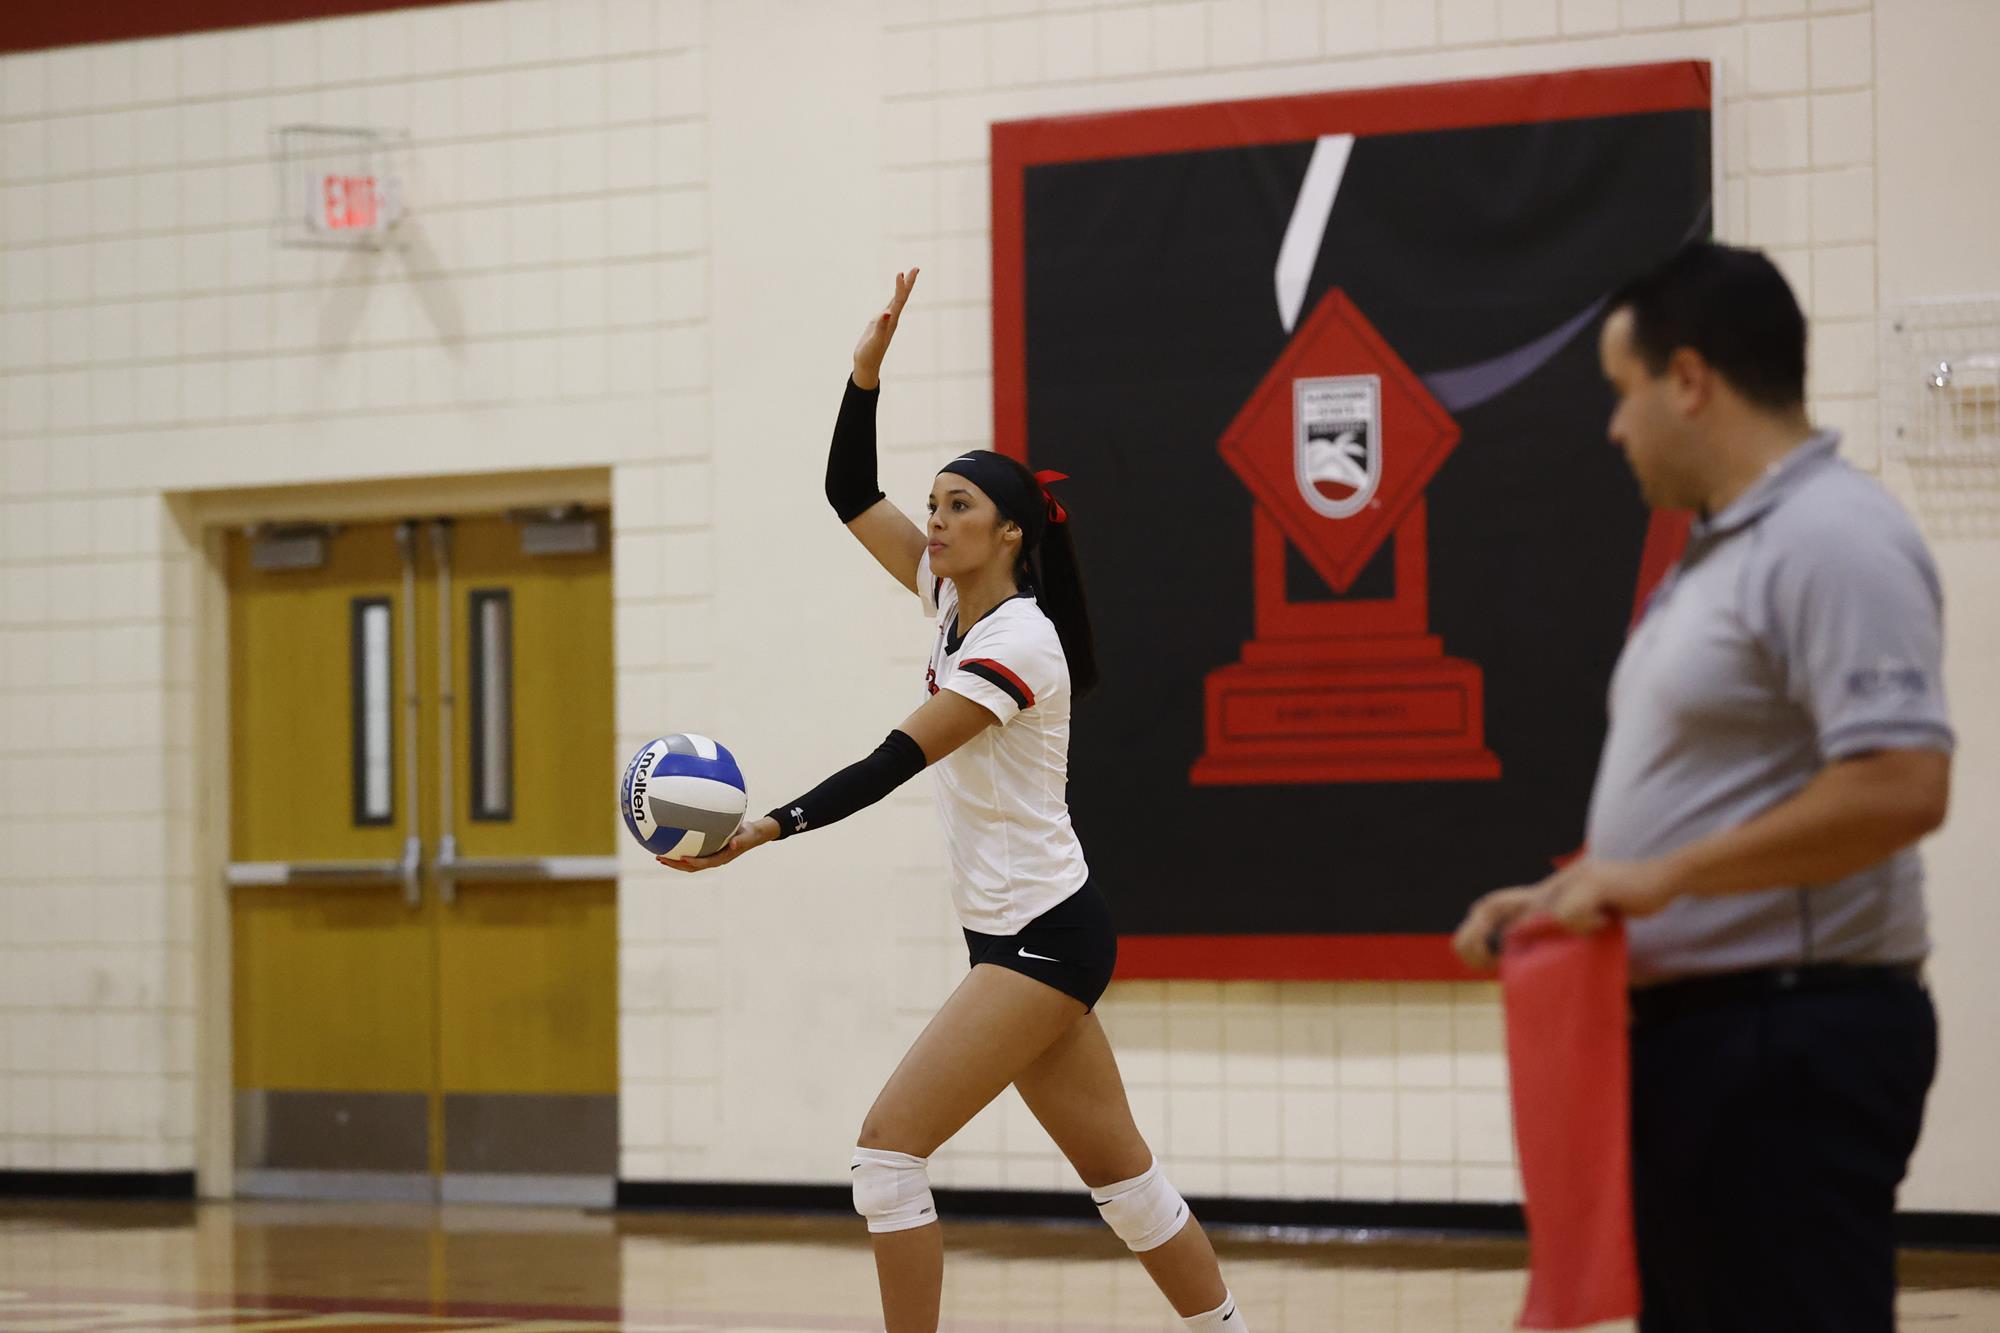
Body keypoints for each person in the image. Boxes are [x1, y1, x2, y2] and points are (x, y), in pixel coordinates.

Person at [659, 270, 1249, 1333]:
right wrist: (862, 373)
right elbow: (846, 490)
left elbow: (896, 758)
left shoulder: (1019, 641)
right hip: (1024, 937)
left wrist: (764, 827)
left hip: (1041, 941)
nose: (931, 522)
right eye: (929, 506)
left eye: (956, 507)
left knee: (886, 1155)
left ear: (1011, 532)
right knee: (1127, 1186)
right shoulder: (948, 603)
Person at [1453, 241, 1955, 1333]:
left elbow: (1901, 787)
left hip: (1789, 1037)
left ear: (1687, 380)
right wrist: (1573, 890)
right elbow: (1718, 792)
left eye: (1620, 394)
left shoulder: (1833, 537)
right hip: (1710, 1038)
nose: (1612, 426)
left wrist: (1658, 878)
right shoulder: (1720, 554)